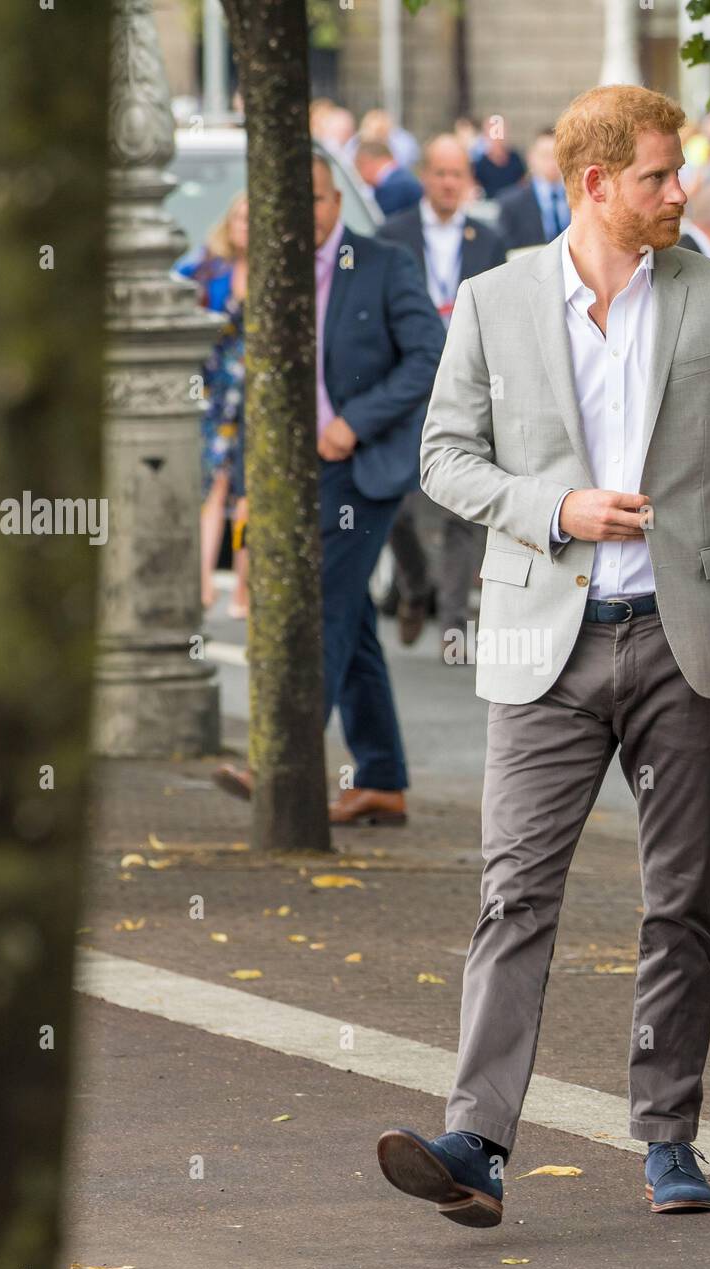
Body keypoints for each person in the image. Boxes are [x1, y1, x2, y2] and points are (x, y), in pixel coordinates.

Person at [376, 84, 710, 1226]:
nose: (682, 191)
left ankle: (669, 1138)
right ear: (597, 183)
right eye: (662, 175)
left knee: (679, 902)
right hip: (542, 647)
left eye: (683, 172)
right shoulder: (495, 300)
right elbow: (445, 457)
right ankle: (475, 1141)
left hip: (682, 637)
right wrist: (556, 504)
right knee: (514, 894)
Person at [212, 153, 445, 824]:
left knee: (322, 610)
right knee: (355, 628)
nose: (305, 212)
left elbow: (430, 354)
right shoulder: (273, 273)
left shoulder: (381, 264)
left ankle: (279, 759)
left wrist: (355, 423)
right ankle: (382, 780)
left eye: (315, 199)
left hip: (362, 468)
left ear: (336, 203)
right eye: (292, 200)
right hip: (294, 471)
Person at [378, 134, 508, 651]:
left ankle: (453, 623)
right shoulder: (393, 235)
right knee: (400, 503)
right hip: (408, 383)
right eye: (440, 174)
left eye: (458, 175)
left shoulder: (488, 239)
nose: (449, 184)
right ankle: (415, 588)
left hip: (469, 381)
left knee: (461, 507)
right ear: (425, 177)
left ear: (468, 182)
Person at [175, 191, 250, 617]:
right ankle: (201, 581)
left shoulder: (276, 273)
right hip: (212, 395)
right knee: (210, 486)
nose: (245, 224)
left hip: (257, 397)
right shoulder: (203, 269)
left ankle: (245, 587)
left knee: (249, 494)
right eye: (239, 215)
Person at [495, 129, 570, 250]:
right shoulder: (511, 203)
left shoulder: (579, 198)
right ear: (531, 158)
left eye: (558, 155)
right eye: (545, 155)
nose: (552, 162)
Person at [354, 139, 423, 217]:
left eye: (358, 168)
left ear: (365, 161)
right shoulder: (402, 177)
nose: (358, 175)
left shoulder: (392, 186)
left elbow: (381, 223)